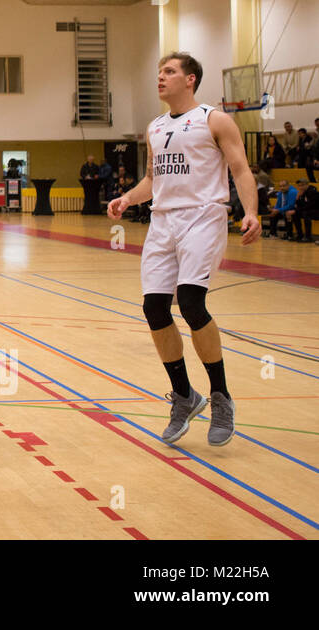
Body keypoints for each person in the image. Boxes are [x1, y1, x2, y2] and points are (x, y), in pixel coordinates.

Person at [108, 52, 260, 448]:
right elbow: (151, 180)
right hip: (163, 220)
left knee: (191, 303)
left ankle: (221, 396)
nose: (161, 77)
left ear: (190, 79)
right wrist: (127, 199)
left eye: (170, 72)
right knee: (154, 308)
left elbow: (241, 169)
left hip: (202, 217)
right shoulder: (155, 127)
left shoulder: (215, 119)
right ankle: (184, 396)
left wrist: (252, 213)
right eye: (159, 71)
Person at [291, 177, 318, 243]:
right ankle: (300, 235)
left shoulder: (312, 192)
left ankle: (308, 237)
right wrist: (297, 198)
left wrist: (297, 210)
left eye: (302, 185)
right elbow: (301, 205)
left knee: (306, 214)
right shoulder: (302, 193)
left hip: (316, 210)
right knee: (295, 214)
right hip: (308, 210)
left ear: (307, 185)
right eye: (299, 186)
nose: (300, 187)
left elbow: (311, 206)